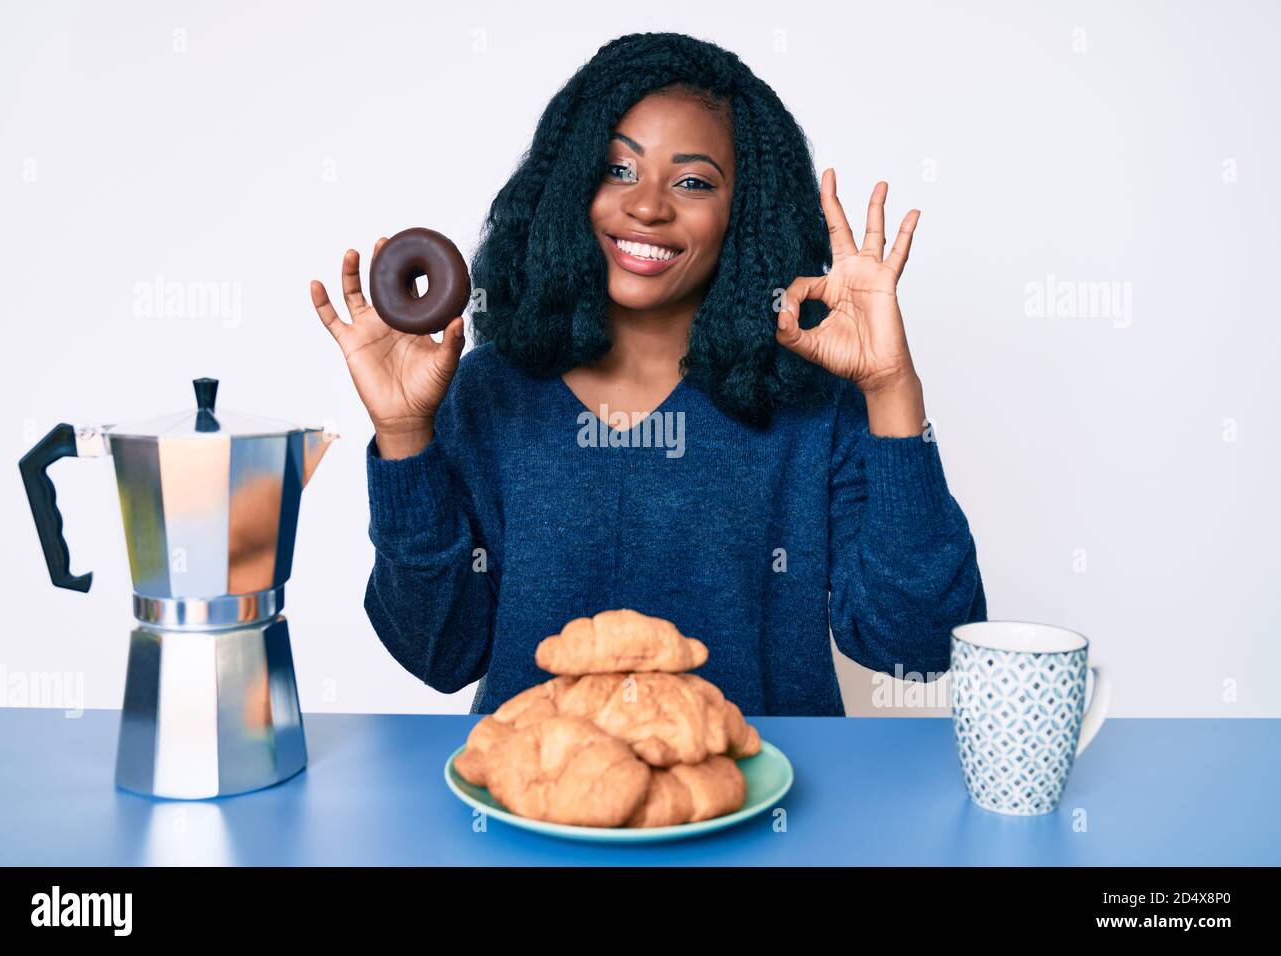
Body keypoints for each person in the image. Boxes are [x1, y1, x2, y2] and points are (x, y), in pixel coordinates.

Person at [310, 32, 986, 716]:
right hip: (537, 807)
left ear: (741, 214)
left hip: (765, 809)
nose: (648, 206)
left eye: (693, 181)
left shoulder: (813, 402)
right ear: (573, 184)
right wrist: (402, 436)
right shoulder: (487, 393)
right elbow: (439, 654)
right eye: (618, 170)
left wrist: (892, 390)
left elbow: (919, 643)